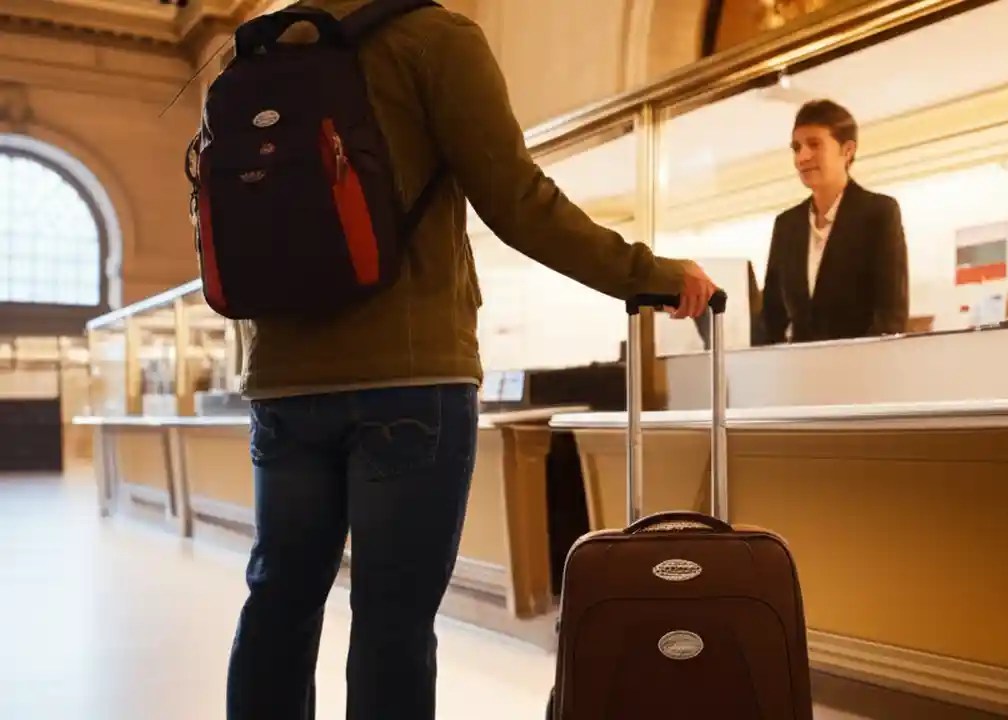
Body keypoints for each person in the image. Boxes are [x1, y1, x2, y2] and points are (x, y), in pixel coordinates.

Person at [222, 1, 718, 719]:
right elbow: (518, 202)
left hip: (282, 382)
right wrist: (650, 273)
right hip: (409, 378)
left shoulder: (266, 49)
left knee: (278, 600)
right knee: (391, 620)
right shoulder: (435, 39)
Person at [760, 99, 908, 344]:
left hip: (861, 373)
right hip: (799, 374)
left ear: (847, 150)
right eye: (796, 147)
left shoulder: (879, 213)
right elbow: (771, 319)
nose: (802, 157)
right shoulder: (787, 225)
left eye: (814, 144)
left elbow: (891, 317)